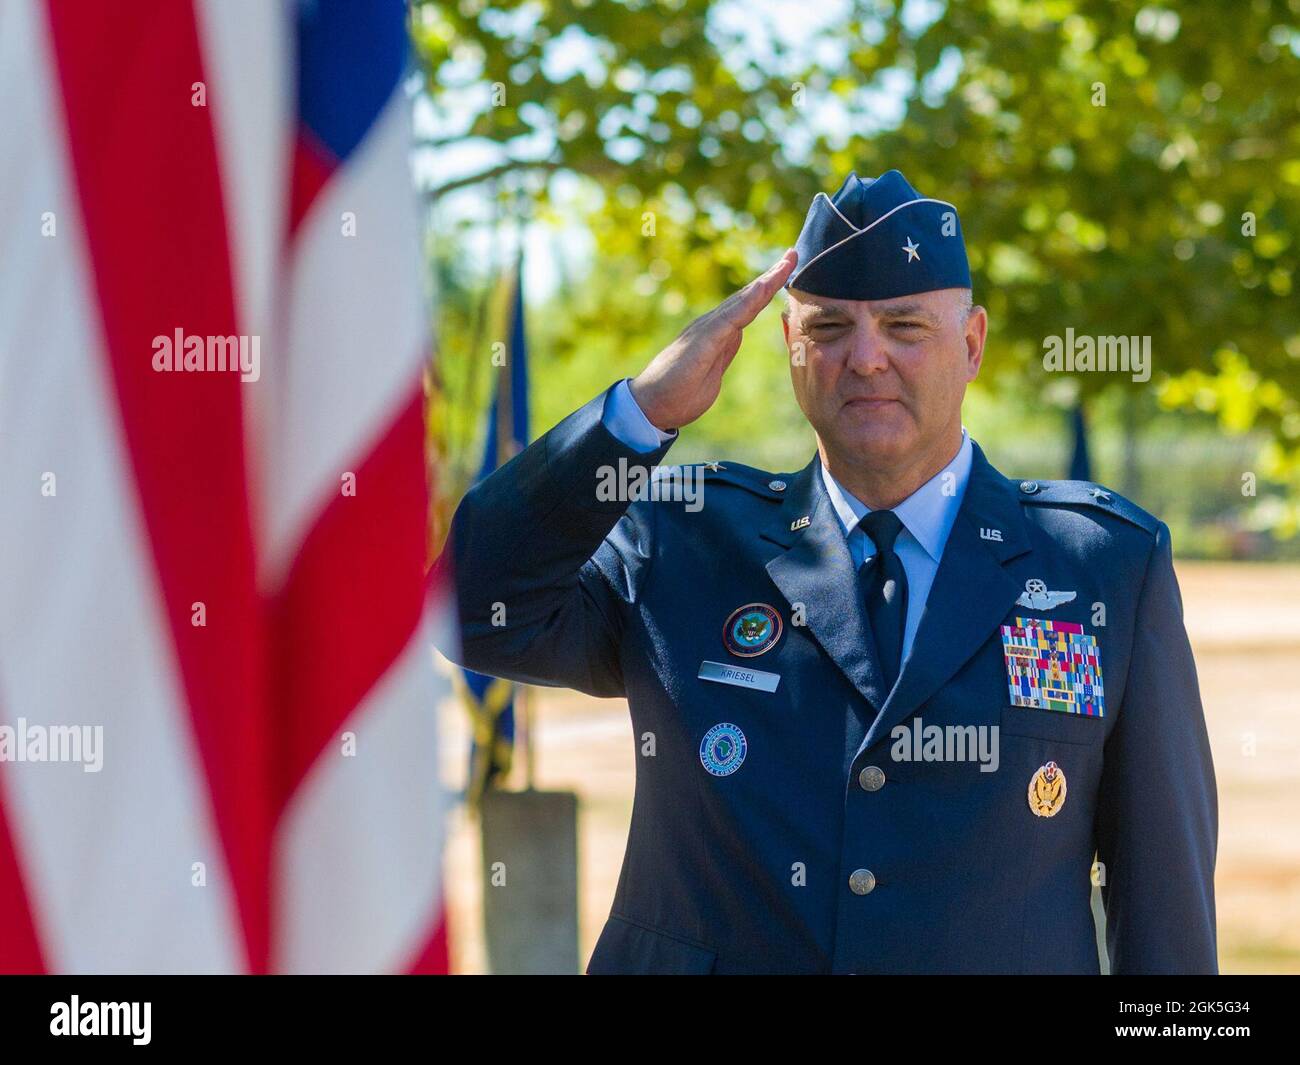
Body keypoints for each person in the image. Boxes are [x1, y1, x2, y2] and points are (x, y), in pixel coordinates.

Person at [435, 170, 1218, 974]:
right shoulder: (683, 539)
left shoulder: (1102, 565)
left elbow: (1165, 910)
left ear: (973, 343)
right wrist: (640, 412)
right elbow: (468, 608)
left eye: (906, 326)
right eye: (832, 326)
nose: (866, 359)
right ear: (789, 344)